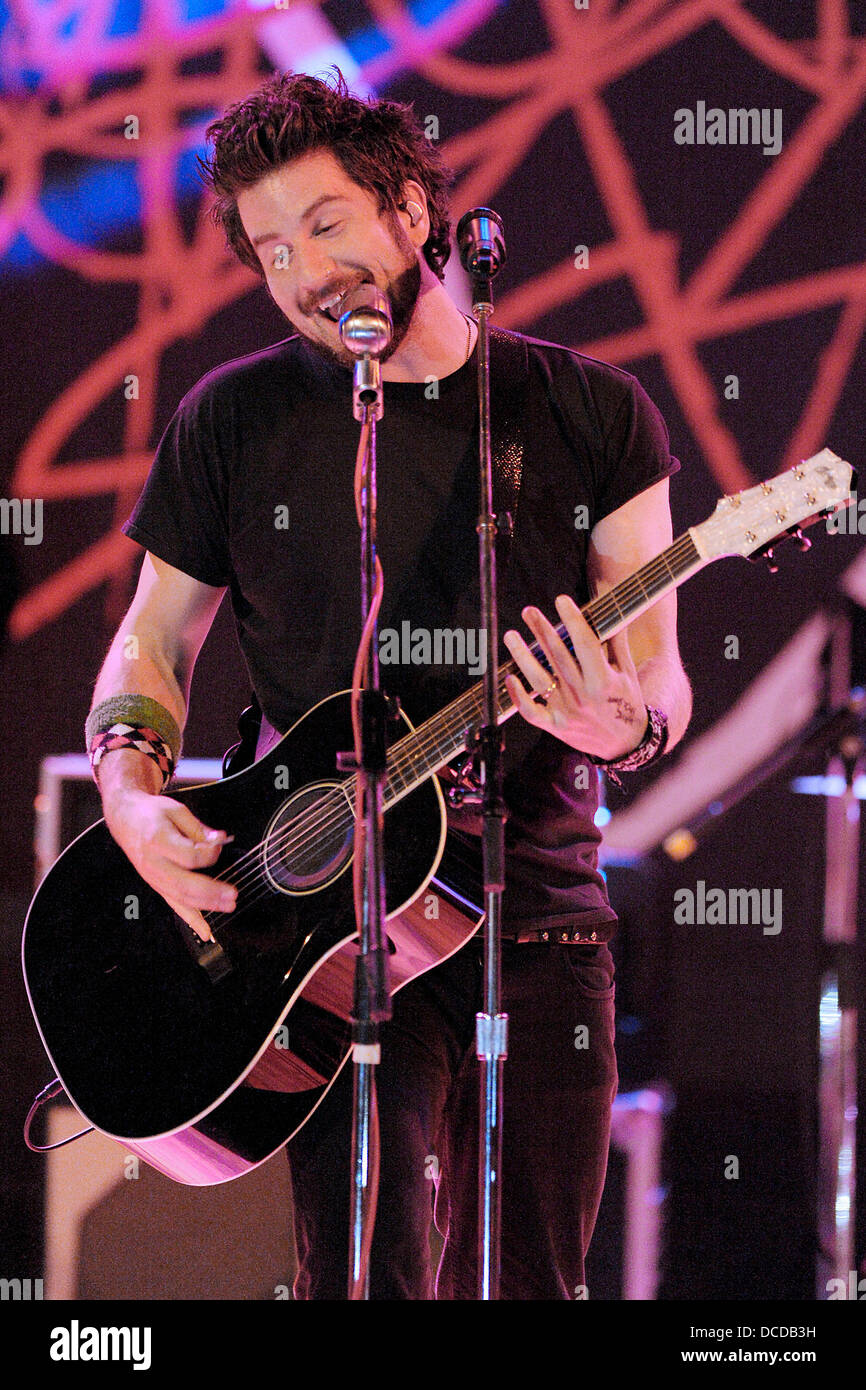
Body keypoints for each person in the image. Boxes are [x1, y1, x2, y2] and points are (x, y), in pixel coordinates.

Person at [86, 70, 692, 1299]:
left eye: (324, 225)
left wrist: (616, 721)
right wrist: (129, 793)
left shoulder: (588, 412)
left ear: (411, 209)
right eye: (270, 251)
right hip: (323, 929)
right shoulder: (230, 419)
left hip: (535, 912)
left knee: (532, 1279)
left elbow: (661, 686)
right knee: (357, 1277)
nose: (305, 273)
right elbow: (151, 642)